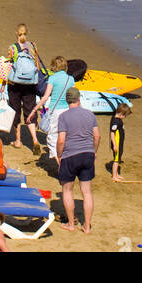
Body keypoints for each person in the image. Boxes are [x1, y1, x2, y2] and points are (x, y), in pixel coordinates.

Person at [56, 88, 100, 234]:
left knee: (67, 190)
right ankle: (87, 226)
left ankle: (71, 224)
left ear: (67, 100)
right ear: (79, 99)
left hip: (70, 155)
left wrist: (59, 156)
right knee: (86, 192)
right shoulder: (90, 114)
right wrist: (94, 151)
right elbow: (97, 136)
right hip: (87, 153)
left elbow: (61, 140)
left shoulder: (63, 117)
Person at [27, 55, 75, 164]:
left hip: (56, 111)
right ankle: (65, 162)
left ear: (54, 67)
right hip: (68, 111)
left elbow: (45, 97)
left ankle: (61, 166)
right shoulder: (71, 79)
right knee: (65, 137)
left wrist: (34, 110)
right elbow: (74, 96)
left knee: (52, 139)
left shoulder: (52, 78)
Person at [3, 24, 41, 153]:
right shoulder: (32, 46)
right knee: (30, 110)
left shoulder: (13, 48)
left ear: (16, 33)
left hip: (15, 84)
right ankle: (35, 140)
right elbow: (38, 67)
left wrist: (3, 84)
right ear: (27, 33)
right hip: (30, 84)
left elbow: (7, 66)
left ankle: (18, 141)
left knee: (15, 110)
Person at [110, 103, 131, 182]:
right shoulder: (115, 122)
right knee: (116, 160)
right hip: (117, 143)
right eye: (125, 115)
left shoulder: (117, 119)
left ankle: (116, 174)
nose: (125, 117)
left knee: (118, 158)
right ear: (121, 114)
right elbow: (112, 133)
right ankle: (114, 176)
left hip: (119, 142)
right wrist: (115, 145)